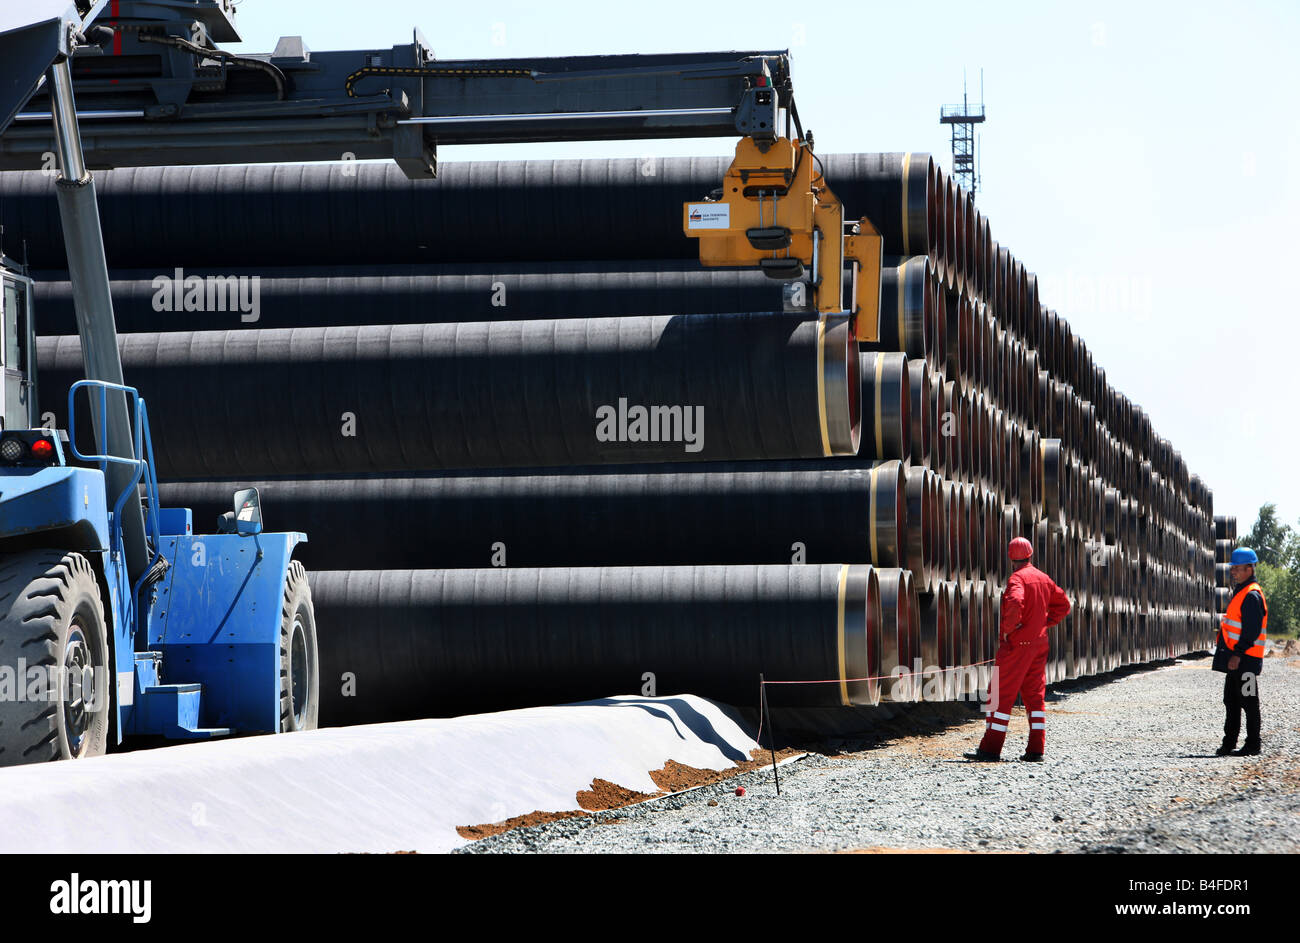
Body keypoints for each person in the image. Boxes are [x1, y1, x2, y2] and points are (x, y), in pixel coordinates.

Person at [965, 537, 1071, 762]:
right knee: (1035, 696)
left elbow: (1014, 603)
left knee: (999, 695)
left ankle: (990, 749)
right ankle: (1036, 749)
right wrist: (1044, 624)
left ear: (1010, 558)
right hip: (1039, 645)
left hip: (1017, 646)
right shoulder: (1044, 578)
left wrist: (1007, 631)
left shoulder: (1017, 579)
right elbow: (1064, 605)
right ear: (1030, 555)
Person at [1214, 547, 1267, 757]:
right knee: (1232, 701)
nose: (1233, 572)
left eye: (1236, 568)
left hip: (1246, 660)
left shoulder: (1252, 595)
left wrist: (1237, 654)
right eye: (1232, 568)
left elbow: (1252, 630)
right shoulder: (1242, 591)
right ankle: (1229, 744)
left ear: (1248, 568)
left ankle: (1253, 744)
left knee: (1249, 702)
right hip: (1237, 660)